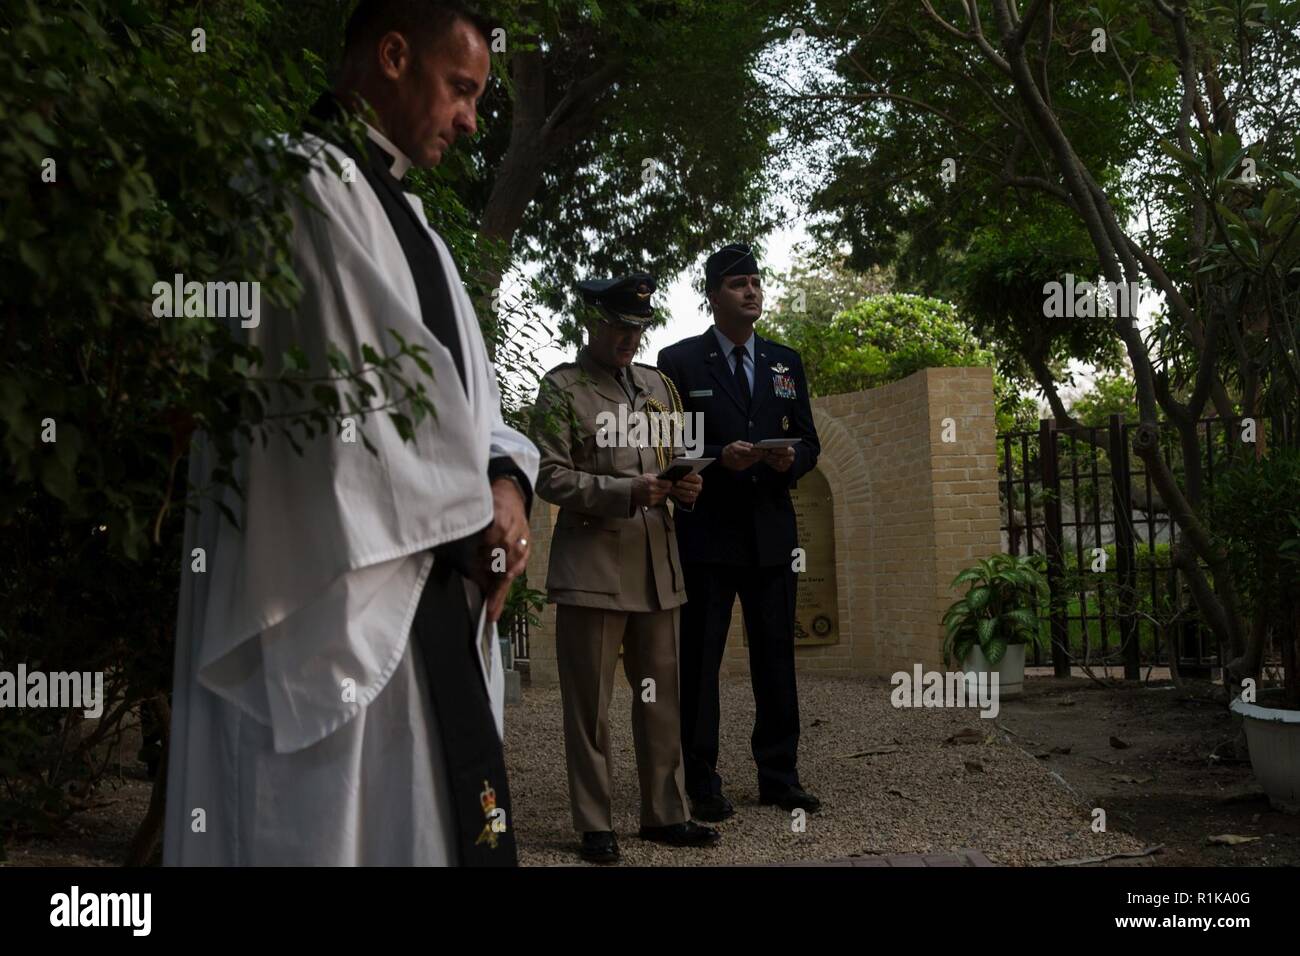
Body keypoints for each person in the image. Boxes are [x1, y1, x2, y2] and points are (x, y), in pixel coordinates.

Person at [164, 0, 538, 866]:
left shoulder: (420, 230)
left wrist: (509, 487)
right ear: (393, 55)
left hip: (419, 596)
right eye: (461, 89)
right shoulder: (295, 182)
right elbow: (350, 415)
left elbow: (475, 411)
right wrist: (470, 506)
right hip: (338, 609)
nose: (470, 121)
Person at [532, 274, 721, 863]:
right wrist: (623, 490)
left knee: (661, 697)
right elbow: (546, 473)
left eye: (637, 328)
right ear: (592, 321)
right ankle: (595, 823)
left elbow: (671, 461)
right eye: (618, 326)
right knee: (590, 705)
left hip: (657, 565)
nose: (628, 338)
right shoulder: (562, 387)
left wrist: (685, 484)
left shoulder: (659, 386)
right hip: (592, 567)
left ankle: (665, 813)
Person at [656, 243, 822, 822]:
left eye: (755, 281)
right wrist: (716, 457)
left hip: (772, 537)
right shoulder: (677, 361)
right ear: (713, 294)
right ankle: (701, 781)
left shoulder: (785, 361)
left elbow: (809, 442)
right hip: (706, 536)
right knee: (699, 663)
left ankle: (780, 777)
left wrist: (789, 461)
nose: (751, 290)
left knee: (776, 660)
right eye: (737, 284)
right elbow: (670, 448)